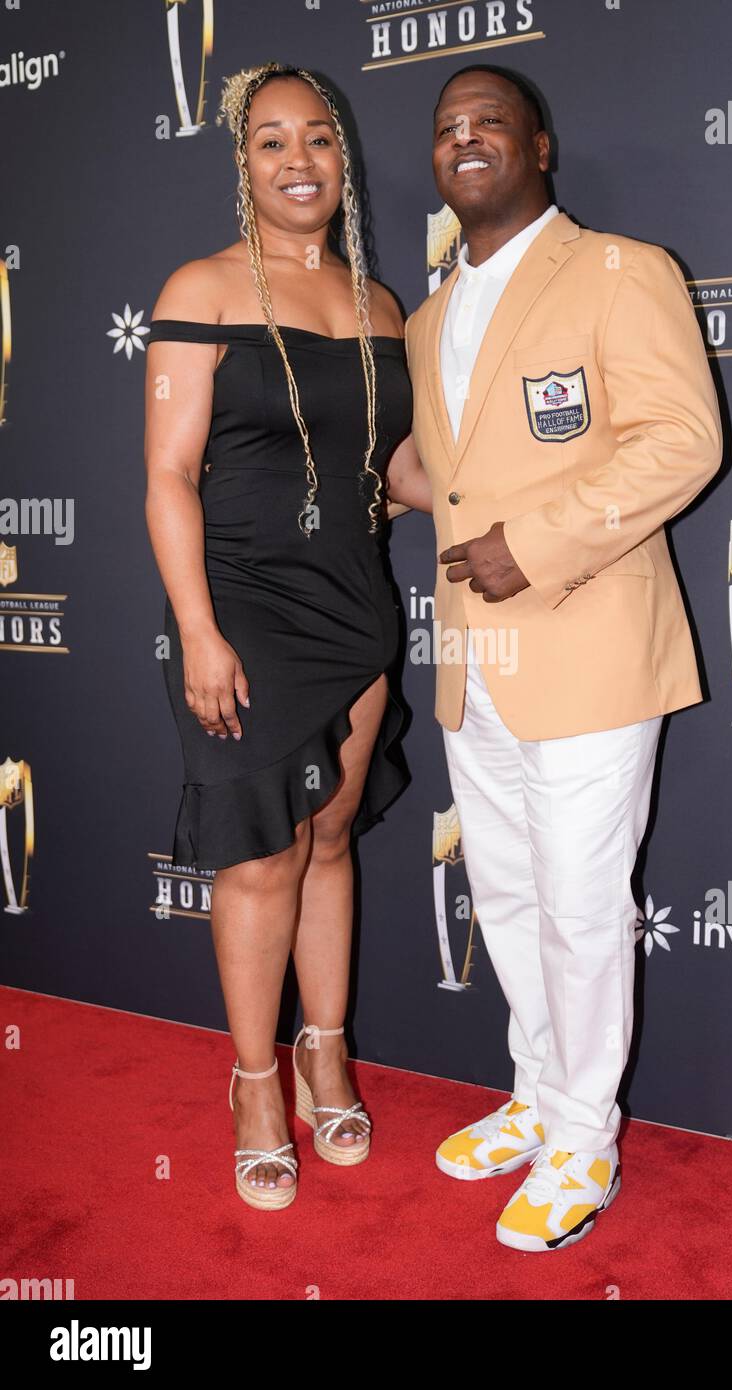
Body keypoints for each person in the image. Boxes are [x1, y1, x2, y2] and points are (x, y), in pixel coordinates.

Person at [403, 65, 723, 1251]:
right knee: (510, 894)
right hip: (472, 661)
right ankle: (537, 1097)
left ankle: (584, 1140)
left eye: (489, 121)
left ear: (539, 145)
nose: (465, 138)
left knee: (584, 907)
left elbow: (680, 441)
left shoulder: (616, 270)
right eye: (446, 129)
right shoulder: (427, 316)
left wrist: (528, 544)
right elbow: (463, 471)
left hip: (586, 640)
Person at [144, 63, 431, 1210]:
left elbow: (394, 471)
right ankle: (256, 1081)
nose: (298, 159)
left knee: (328, 839)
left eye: (317, 138)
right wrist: (199, 629)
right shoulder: (203, 287)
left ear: (342, 161)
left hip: (354, 600)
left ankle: (326, 1049)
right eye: (271, 141)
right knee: (260, 851)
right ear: (243, 164)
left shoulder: (379, 307)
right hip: (242, 604)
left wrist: (500, 497)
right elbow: (167, 476)